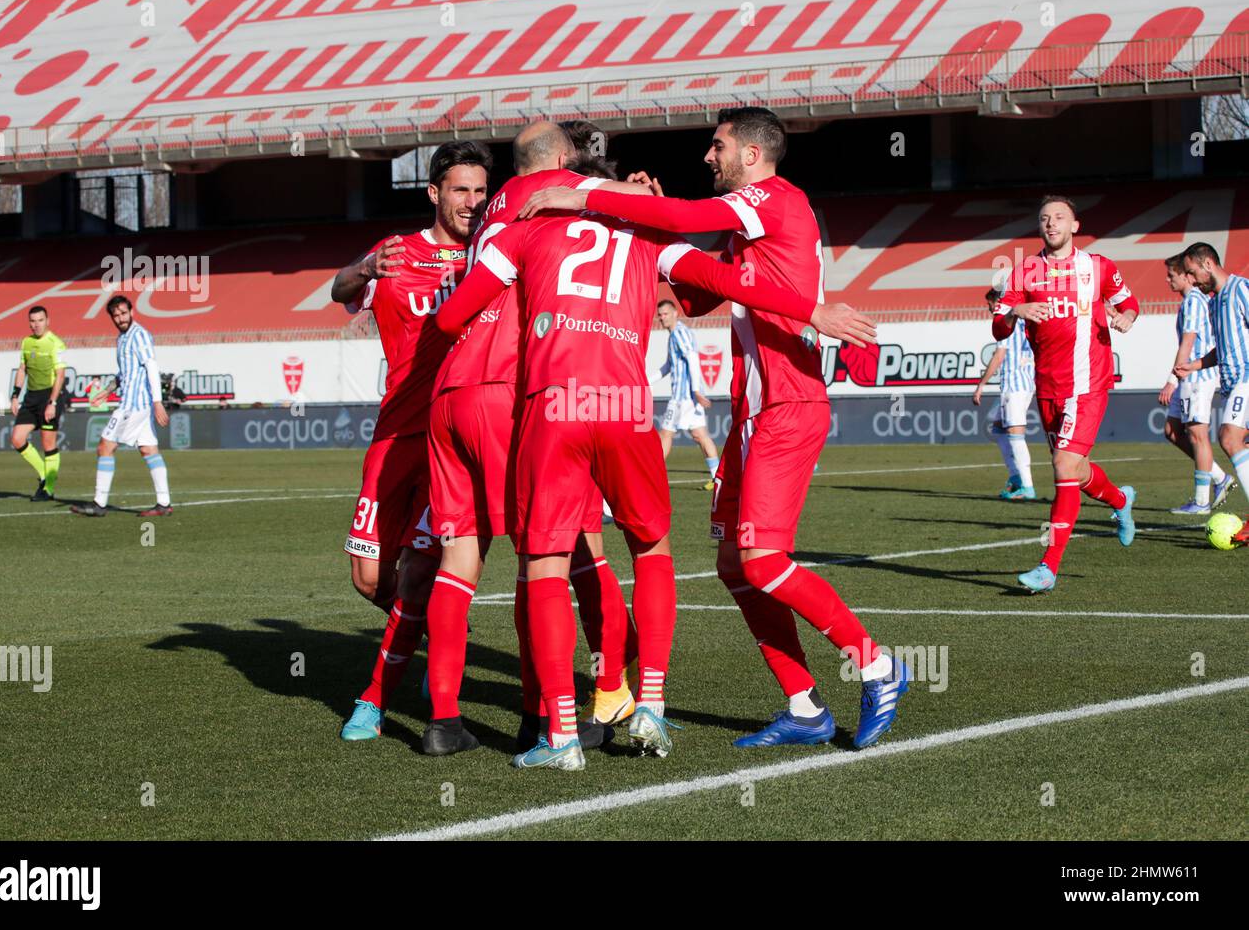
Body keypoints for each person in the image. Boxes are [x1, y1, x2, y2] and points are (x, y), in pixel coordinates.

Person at [519, 106, 906, 750]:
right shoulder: (748, 231)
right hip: (753, 414)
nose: (708, 156)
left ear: (752, 156)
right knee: (733, 561)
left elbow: (685, 219)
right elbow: (697, 290)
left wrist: (586, 193)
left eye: (718, 145)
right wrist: (647, 253)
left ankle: (876, 663)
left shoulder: (774, 201)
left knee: (762, 559)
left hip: (789, 405)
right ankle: (806, 706)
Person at [422, 121, 648, 756]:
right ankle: (557, 713)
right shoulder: (557, 197)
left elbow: (452, 311)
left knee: (459, 559)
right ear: (561, 162)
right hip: (514, 388)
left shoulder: (494, 207)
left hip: (451, 388)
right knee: (556, 553)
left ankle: (443, 720)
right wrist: (631, 197)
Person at [330, 140, 490, 743]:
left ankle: (377, 696)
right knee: (368, 577)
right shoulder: (396, 254)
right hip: (394, 433)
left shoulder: (490, 255)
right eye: (460, 190)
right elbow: (340, 290)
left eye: (480, 190)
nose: (472, 202)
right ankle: (439, 630)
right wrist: (364, 270)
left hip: (457, 440)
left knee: (422, 573)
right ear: (434, 194)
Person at [993, 196, 1140, 592]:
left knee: (1062, 465)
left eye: (1059, 217)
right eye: (1044, 218)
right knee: (1075, 468)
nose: (1051, 223)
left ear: (1075, 225)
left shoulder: (1098, 267)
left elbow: (1129, 303)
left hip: (1089, 382)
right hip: (1048, 387)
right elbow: (998, 328)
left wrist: (1125, 316)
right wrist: (1014, 313)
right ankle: (1121, 501)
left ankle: (1048, 567)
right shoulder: (1024, 271)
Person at [70, 296, 172, 518]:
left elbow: (152, 367)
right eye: (116, 315)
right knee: (148, 450)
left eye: (123, 313)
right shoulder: (121, 339)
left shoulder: (139, 335)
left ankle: (99, 504)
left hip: (133, 405)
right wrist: (106, 391)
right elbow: (124, 374)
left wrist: (158, 402)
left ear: (131, 312)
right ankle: (164, 504)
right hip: (137, 404)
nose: (120, 318)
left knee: (105, 447)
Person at [1175, 242, 1249, 542]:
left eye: (1192, 272)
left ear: (1208, 264)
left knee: (1229, 438)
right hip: (1231, 383)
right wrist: (1195, 365)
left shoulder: (1241, 288)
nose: (1191, 280)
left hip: (1247, 376)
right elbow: (1223, 347)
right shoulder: (1214, 302)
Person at [1158, 252, 1235, 513]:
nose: (1169, 280)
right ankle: (1219, 477)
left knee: (1197, 435)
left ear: (1185, 275)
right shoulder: (1194, 301)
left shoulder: (1193, 301)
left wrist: (1172, 379)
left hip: (1196, 377)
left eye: (1172, 275)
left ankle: (1201, 501)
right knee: (1172, 430)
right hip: (1190, 376)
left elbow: (1188, 343)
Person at [973, 277, 1037, 500]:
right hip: (1023, 382)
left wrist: (980, 385)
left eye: (990, 303)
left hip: (1015, 385)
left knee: (1014, 433)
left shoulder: (1007, 323)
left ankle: (1027, 487)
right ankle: (1016, 477)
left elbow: (999, 355)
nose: (989, 308)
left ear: (997, 301)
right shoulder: (1023, 320)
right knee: (995, 427)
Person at [654, 299, 719, 490]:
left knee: (665, 434)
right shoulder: (675, 334)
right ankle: (718, 480)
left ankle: (651, 475)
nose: (661, 317)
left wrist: (696, 390)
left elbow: (692, 358)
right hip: (689, 397)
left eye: (665, 313)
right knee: (701, 435)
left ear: (675, 313)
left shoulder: (679, 333)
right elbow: (668, 366)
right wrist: (644, 381)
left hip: (683, 397)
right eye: (659, 314)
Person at [10, 305, 67, 502]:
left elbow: (60, 375)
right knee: (17, 438)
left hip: (50, 396)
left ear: (47, 321)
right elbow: (22, 369)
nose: (36, 324)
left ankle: (48, 489)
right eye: (33, 321)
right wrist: (15, 395)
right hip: (31, 397)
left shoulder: (55, 343)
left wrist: (52, 402)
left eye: (40, 320)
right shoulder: (26, 342)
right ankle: (45, 475)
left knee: (48, 442)